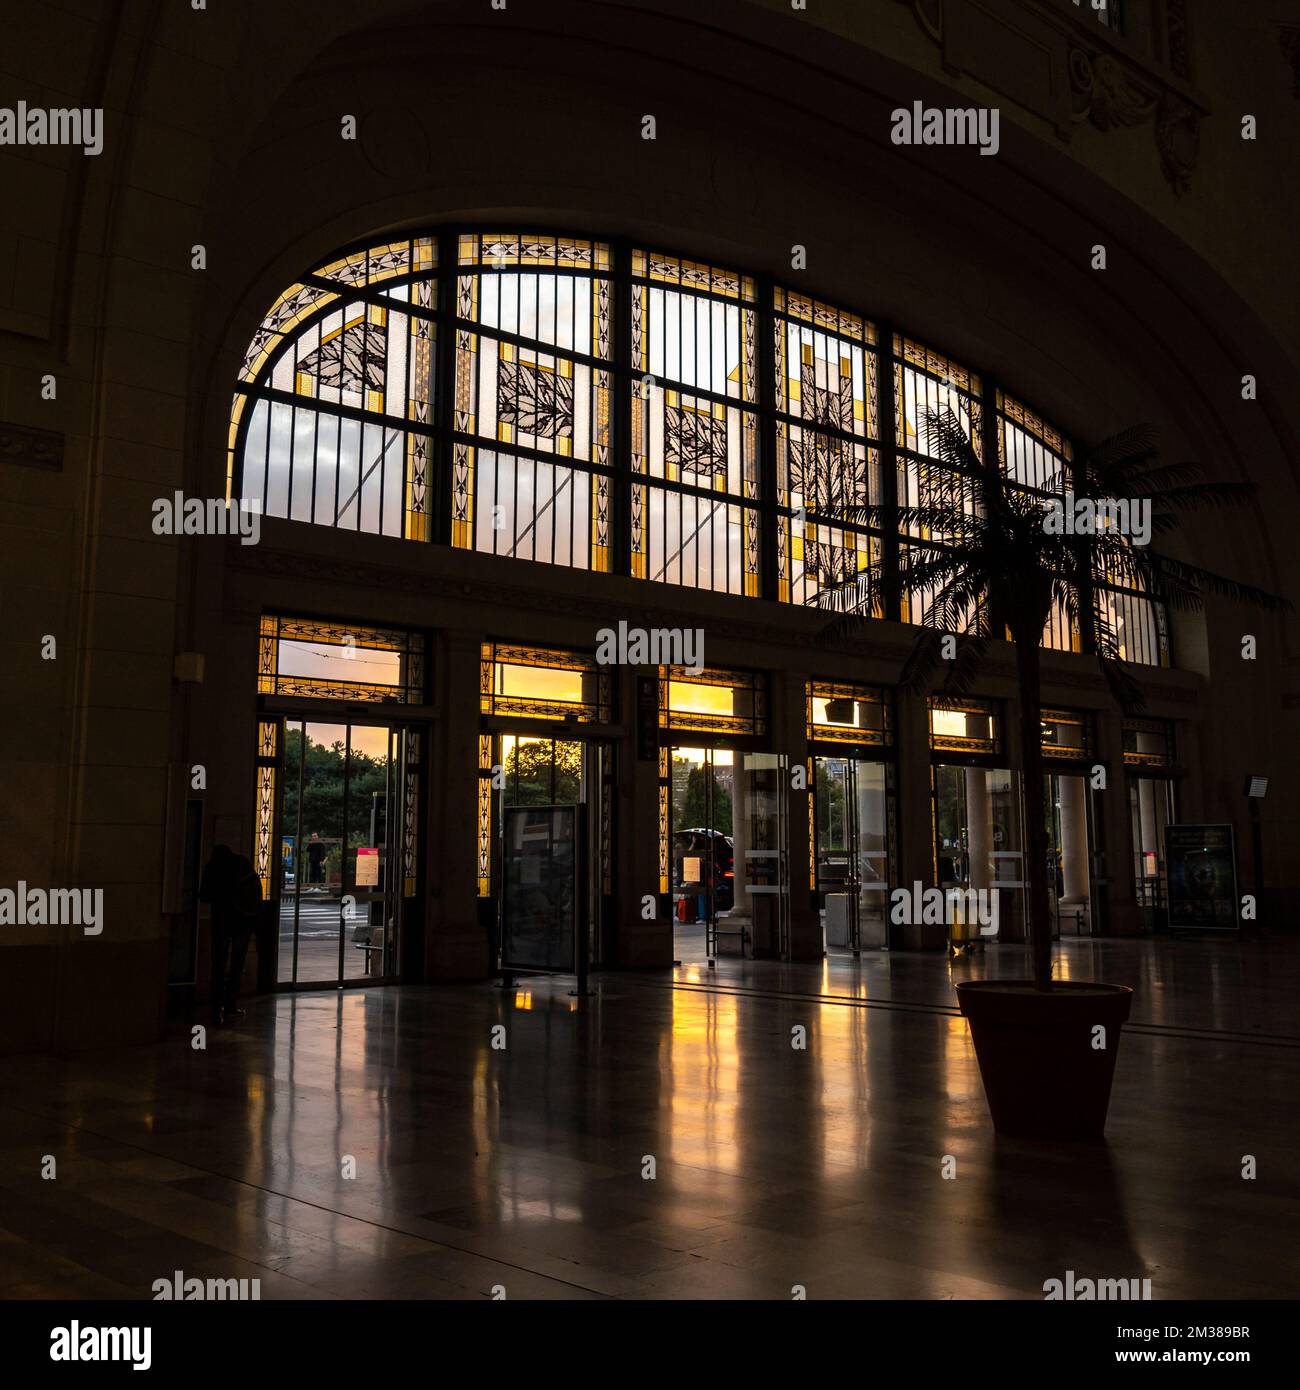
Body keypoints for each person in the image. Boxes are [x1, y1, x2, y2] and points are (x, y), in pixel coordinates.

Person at [198, 843, 263, 1025]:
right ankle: (231, 1003)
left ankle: (216, 1004)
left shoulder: (212, 867)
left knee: (218, 964)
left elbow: (204, 896)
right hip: (243, 922)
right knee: (237, 963)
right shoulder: (242, 863)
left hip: (222, 921)